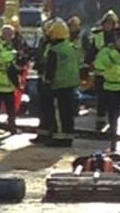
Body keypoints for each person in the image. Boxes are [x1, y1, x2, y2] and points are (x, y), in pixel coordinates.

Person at [43, 19, 81, 147]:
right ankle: (69, 136)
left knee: (59, 112)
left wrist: (47, 83)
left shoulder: (54, 50)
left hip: (58, 85)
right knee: (68, 112)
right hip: (71, 84)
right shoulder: (71, 47)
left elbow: (50, 69)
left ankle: (60, 137)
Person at [87, 10, 120, 132]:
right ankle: (100, 123)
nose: (108, 25)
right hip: (100, 74)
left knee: (113, 102)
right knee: (101, 100)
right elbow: (91, 52)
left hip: (114, 75)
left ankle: (113, 124)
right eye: (106, 23)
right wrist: (87, 65)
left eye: (111, 23)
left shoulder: (119, 37)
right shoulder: (98, 37)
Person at [95, 29, 120, 143]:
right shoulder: (105, 52)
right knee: (113, 115)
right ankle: (113, 138)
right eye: (119, 39)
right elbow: (98, 67)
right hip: (111, 87)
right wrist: (108, 74)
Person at [0, 25, 20, 136]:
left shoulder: (6, 45)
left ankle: (10, 128)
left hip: (6, 82)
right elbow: (3, 57)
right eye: (9, 34)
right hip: (0, 82)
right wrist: (15, 54)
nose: (11, 37)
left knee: (7, 108)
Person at [31, 18, 56, 144]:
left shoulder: (55, 46)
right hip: (43, 78)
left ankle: (50, 133)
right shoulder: (43, 42)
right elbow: (39, 57)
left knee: (50, 109)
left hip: (51, 81)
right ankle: (42, 134)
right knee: (43, 108)